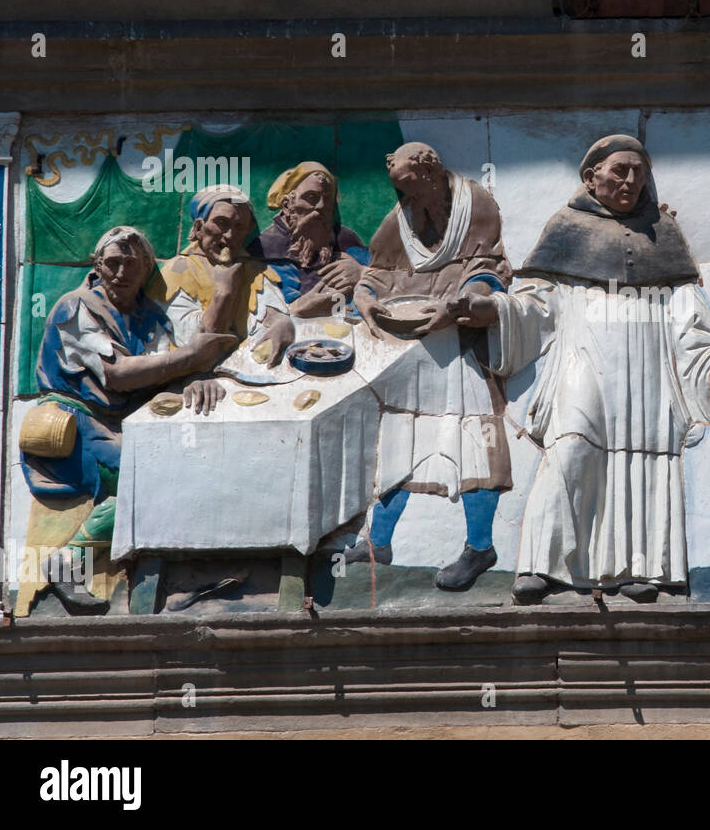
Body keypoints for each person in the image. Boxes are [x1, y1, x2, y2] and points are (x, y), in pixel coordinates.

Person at [450, 134, 710, 604]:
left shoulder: (662, 234)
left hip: (648, 367)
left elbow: (690, 316)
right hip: (582, 358)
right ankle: (543, 565)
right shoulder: (566, 227)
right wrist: (496, 312)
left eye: (638, 172)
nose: (630, 179)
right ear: (591, 177)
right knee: (570, 447)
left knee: (645, 455)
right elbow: (538, 305)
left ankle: (644, 567)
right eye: (619, 170)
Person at [18, 226, 236, 614]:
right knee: (150, 480)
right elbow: (118, 373)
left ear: (147, 268)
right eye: (113, 263)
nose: (121, 272)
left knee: (192, 464)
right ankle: (68, 560)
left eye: (131, 264)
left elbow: (164, 366)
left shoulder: (149, 316)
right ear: (97, 264)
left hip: (124, 426)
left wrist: (195, 376)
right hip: (77, 423)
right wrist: (192, 359)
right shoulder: (77, 307)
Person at [344, 142, 513, 591]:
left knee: (473, 440)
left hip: (458, 345)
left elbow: (490, 268)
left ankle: (480, 547)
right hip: (411, 348)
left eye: (414, 188)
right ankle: (378, 541)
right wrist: (365, 296)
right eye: (402, 191)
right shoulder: (401, 216)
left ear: (433, 172)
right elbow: (377, 271)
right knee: (399, 438)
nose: (409, 201)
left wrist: (460, 302)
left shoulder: (474, 204)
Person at [144, 184, 295, 414]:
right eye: (222, 223)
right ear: (199, 227)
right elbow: (193, 344)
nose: (230, 236)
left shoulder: (254, 271)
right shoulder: (177, 272)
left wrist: (282, 323)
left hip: (246, 382)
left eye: (239, 227)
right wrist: (224, 292)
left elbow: (270, 313)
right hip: (191, 388)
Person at [258, 161, 368, 318]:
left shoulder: (345, 240)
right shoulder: (264, 248)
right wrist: (296, 309)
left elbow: (383, 276)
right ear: (287, 205)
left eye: (327, 199)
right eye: (311, 197)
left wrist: (362, 272)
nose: (321, 206)